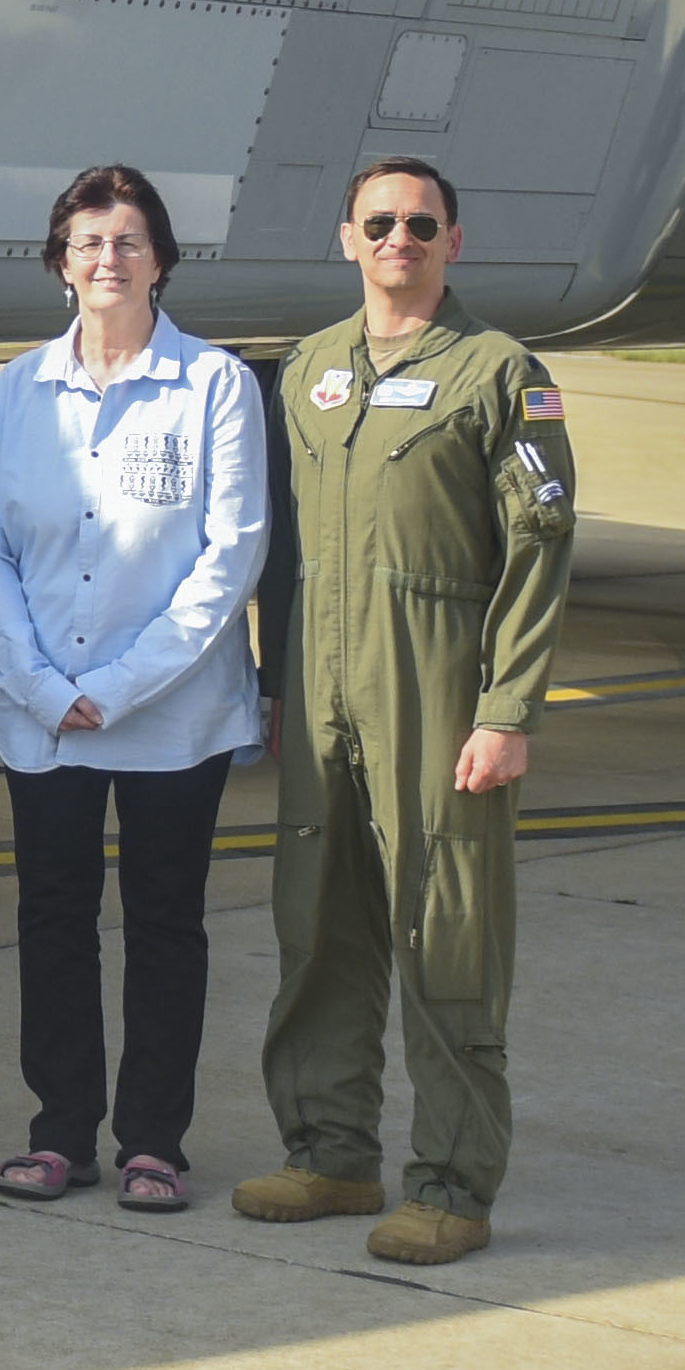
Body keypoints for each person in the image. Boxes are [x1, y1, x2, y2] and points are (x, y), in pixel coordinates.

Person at [238, 154, 574, 1268]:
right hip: (322, 688)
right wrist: (280, 683)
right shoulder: (310, 370)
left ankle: (449, 1181)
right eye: (378, 222)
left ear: (452, 242)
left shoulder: (496, 372)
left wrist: (508, 704)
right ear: (346, 238)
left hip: (435, 689)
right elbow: (283, 546)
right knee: (318, 927)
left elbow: (539, 543)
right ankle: (331, 1151)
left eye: (421, 224)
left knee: (445, 933)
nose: (400, 239)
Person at [0, 164, 269, 1214]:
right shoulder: (13, 395)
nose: (107, 260)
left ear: (161, 259)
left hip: (174, 714)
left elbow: (229, 556)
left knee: (165, 921)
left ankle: (153, 1142)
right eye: (87, 242)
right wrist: (42, 685)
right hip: (43, 716)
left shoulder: (215, 384)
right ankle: (59, 1131)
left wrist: (120, 684)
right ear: (59, 264)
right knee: (52, 918)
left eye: (128, 241)